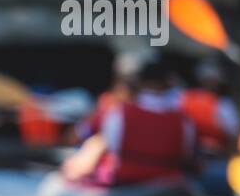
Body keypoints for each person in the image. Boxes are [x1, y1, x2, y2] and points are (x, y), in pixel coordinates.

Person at [61, 59, 197, 184]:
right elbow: (187, 156)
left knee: (96, 144)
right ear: (168, 85)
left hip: (126, 181)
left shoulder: (116, 112)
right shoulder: (185, 121)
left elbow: (75, 137)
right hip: (167, 184)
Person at [180, 58, 240, 157]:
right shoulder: (184, 97)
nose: (212, 82)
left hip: (216, 154)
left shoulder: (224, 104)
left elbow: (233, 133)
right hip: (191, 155)